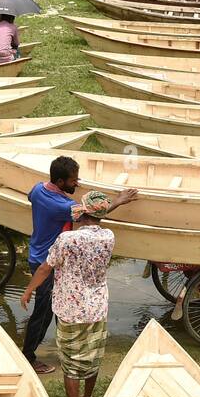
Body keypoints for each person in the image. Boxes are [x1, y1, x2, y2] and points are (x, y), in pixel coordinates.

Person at [22, 156, 137, 374]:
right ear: (59, 181)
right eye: (73, 180)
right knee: (43, 312)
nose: (77, 183)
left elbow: (31, 197)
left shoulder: (38, 189)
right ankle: (28, 357)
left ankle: (67, 347)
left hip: (37, 253)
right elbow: (93, 215)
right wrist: (119, 200)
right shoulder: (64, 206)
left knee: (60, 306)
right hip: (47, 261)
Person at [21, 191, 116, 397]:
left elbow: (45, 268)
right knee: (91, 357)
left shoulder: (67, 240)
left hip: (71, 308)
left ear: (82, 212)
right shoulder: (109, 236)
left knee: (71, 363)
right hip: (97, 306)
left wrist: (29, 290)